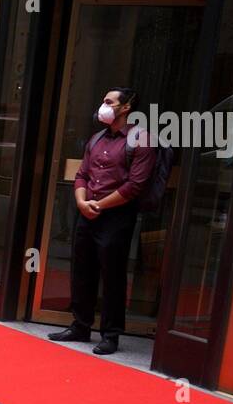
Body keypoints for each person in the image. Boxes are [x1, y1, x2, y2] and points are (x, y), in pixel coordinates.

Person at [48, 87, 156, 356]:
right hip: (87, 212)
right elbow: (82, 174)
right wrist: (82, 202)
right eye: (103, 100)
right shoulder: (96, 139)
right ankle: (80, 325)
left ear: (126, 107)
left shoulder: (141, 140)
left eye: (109, 102)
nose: (103, 106)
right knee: (82, 270)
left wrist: (99, 205)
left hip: (116, 216)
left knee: (113, 275)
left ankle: (110, 334)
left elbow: (134, 186)